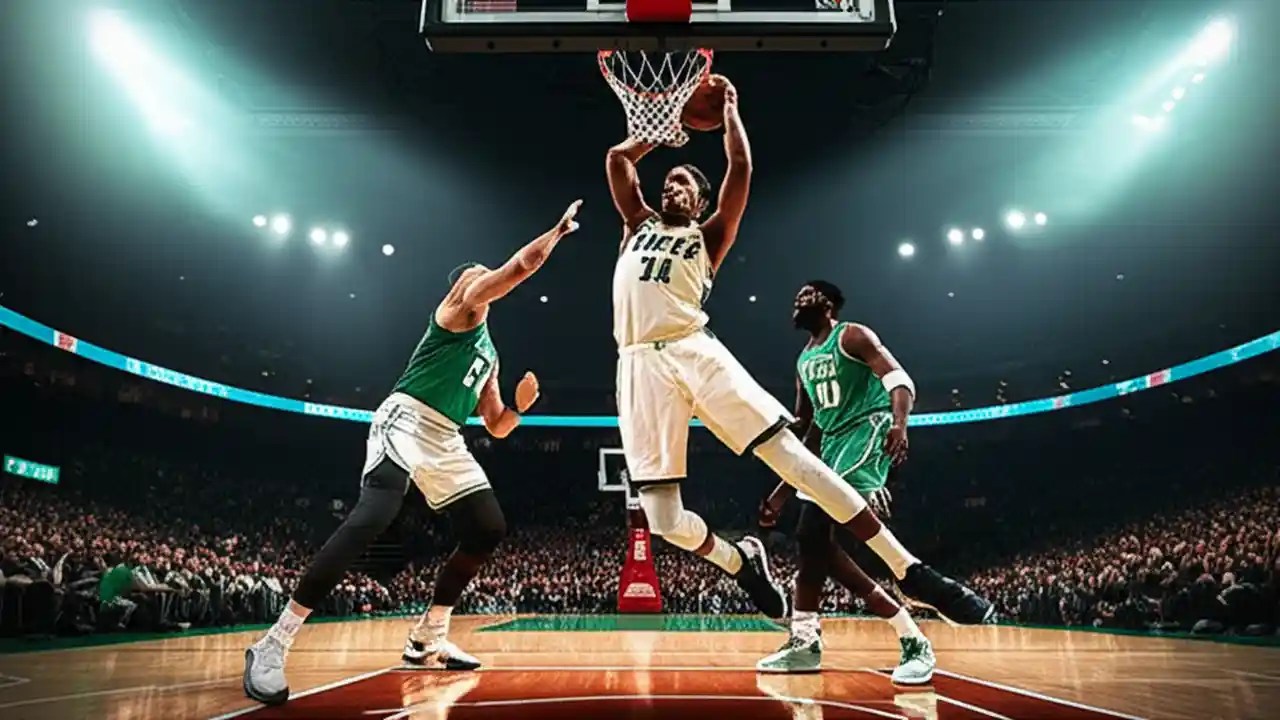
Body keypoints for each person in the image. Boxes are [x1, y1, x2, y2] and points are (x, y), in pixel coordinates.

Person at [605, 77, 992, 629]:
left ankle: (913, 573)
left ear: (701, 202)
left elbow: (740, 172)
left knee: (793, 458)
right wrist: (658, 132)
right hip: (637, 364)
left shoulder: (709, 237)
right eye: (668, 181)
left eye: (685, 184)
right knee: (663, 519)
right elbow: (618, 159)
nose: (673, 187)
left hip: (694, 349)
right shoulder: (636, 224)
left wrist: (732, 111)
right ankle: (741, 561)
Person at [243, 200, 583, 706]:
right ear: (460, 287)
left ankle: (429, 636)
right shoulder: (456, 312)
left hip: (446, 436)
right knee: (375, 513)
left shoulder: (491, 353)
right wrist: (555, 233)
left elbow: (498, 426)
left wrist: (521, 407)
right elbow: (520, 268)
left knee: (487, 528)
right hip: (405, 419)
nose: (478, 276)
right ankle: (273, 642)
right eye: (472, 274)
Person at [755, 280, 945, 680]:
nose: (798, 299)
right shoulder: (803, 361)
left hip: (868, 429)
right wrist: (781, 491)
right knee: (814, 547)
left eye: (807, 294)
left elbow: (898, 379)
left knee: (813, 534)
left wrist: (900, 424)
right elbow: (807, 428)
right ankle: (816, 641)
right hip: (832, 445)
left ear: (828, 304)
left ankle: (908, 619)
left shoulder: (852, 335)